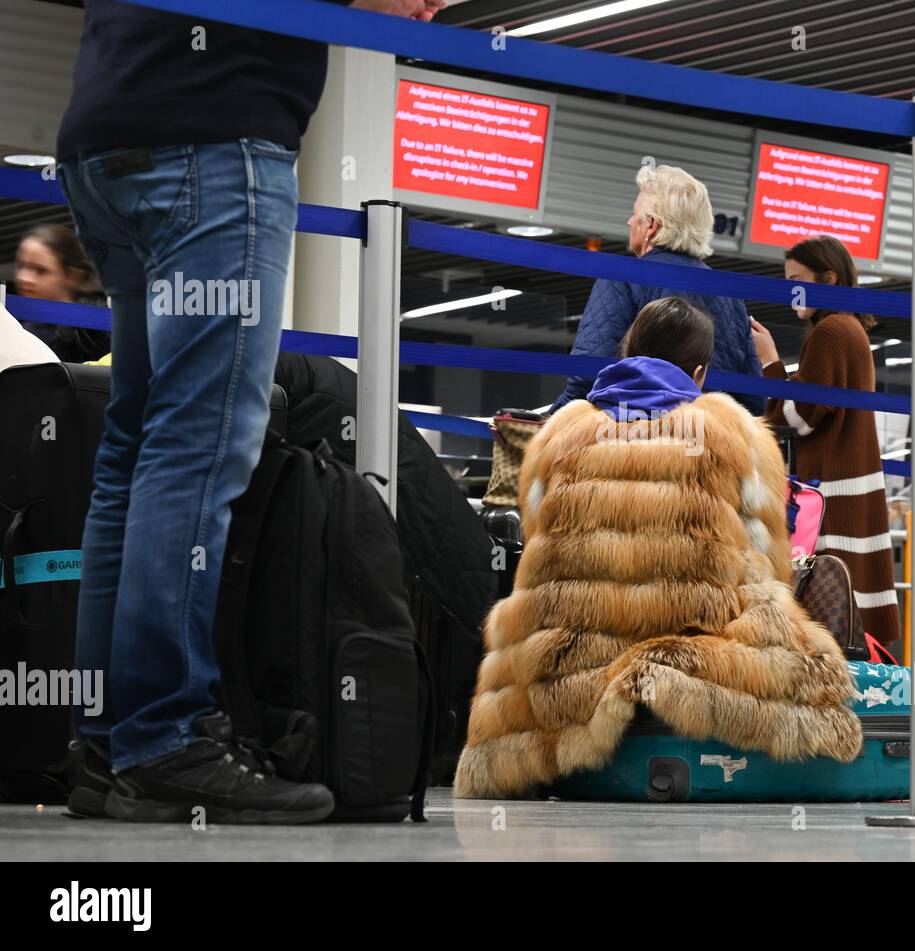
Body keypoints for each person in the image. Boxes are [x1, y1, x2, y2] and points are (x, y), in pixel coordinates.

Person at [57, 0, 445, 825]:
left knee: (134, 446)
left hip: (109, 131)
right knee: (196, 446)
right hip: (214, 133)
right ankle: (165, 737)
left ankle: (106, 740)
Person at [455, 297, 861, 798]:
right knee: (801, 650)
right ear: (699, 371)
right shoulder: (731, 430)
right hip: (698, 639)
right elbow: (768, 561)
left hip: (570, 653)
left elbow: (537, 547)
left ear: (627, 350)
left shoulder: (560, 432)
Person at [750, 236, 900, 651]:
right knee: (859, 607)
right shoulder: (849, 328)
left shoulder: (830, 332)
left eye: (798, 280)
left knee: (833, 605)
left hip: (834, 491)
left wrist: (770, 363)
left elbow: (800, 416)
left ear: (827, 279)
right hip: (854, 487)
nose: (791, 290)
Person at [550, 163, 764, 415]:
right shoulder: (730, 296)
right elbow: (753, 401)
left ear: (651, 225)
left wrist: (546, 426)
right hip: (704, 442)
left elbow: (588, 374)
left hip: (637, 442)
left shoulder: (623, 277)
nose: (629, 221)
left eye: (634, 214)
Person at [14, 224, 111, 363]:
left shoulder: (95, 332)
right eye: (21, 266)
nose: (24, 278)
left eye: (40, 270)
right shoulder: (20, 331)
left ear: (73, 276)